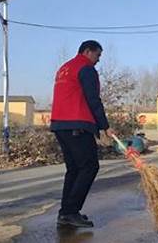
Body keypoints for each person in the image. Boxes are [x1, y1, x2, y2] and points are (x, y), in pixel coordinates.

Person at [50, 40, 115, 227]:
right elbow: (93, 99)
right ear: (88, 52)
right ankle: (70, 211)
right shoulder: (86, 69)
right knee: (89, 167)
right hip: (77, 124)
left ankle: (66, 213)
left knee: (74, 169)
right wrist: (105, 126)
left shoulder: (65, 67)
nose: (98, 60)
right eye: (97, 55)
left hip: (60, 125)